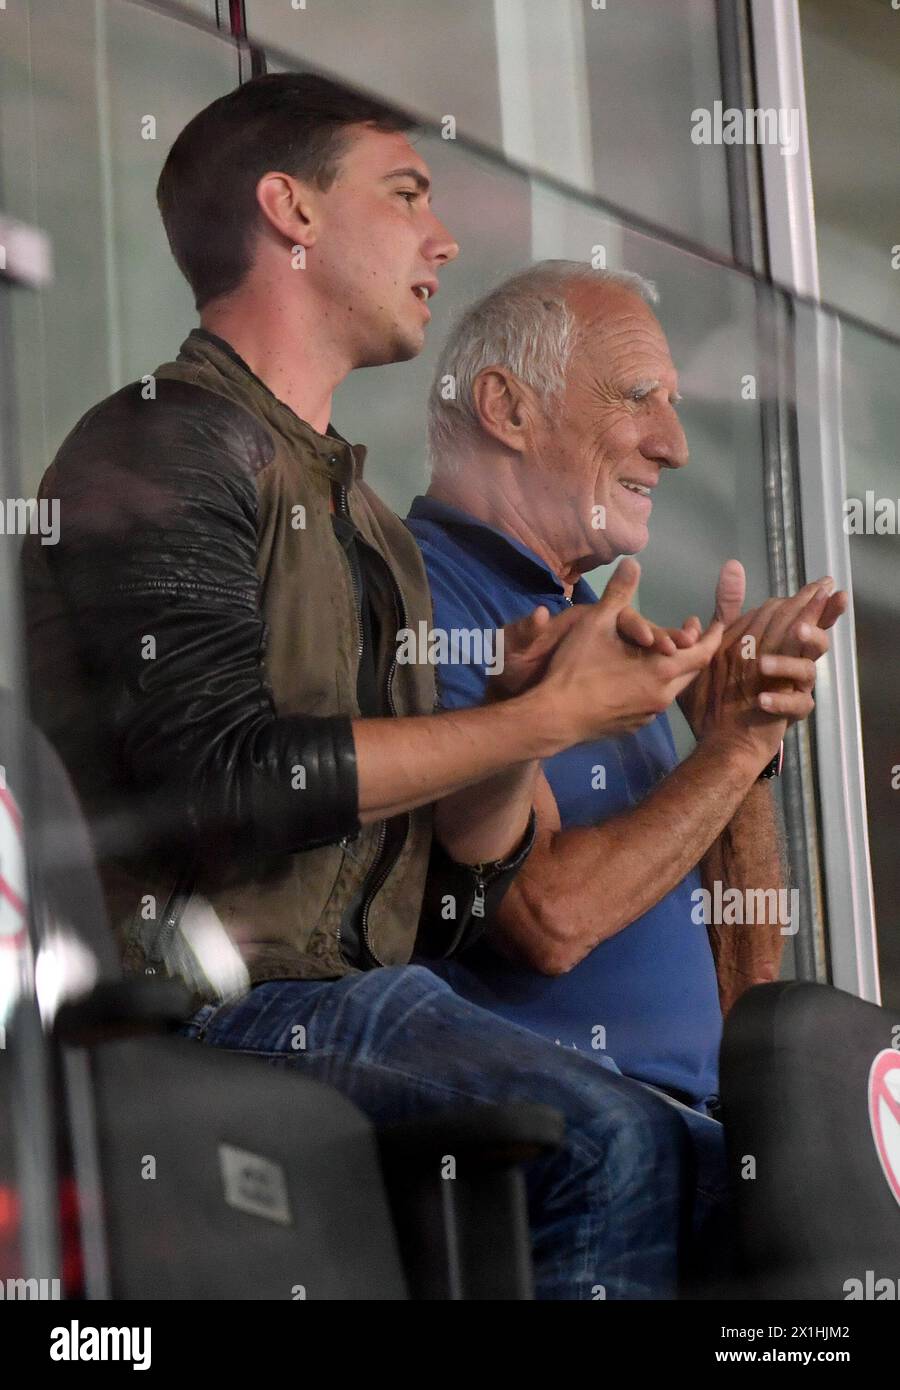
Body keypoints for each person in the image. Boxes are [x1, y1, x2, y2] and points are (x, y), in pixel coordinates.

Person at [21, 76, 732, 1299]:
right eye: (406, 194)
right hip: (200, 1004)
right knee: (613, 1136)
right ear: (288, 209)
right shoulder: (159, 440)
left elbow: (458, 899)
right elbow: (225, 785)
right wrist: (538, 719)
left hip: (357, 996)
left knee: (712, 1151)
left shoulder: (370, 528)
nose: (442, 240)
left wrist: (520, 733)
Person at [404, 259, 846, 1260]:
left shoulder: (597, 627)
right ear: (505, 409)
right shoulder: (432, 599)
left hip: (702, 1145)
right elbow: (548, 919)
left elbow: (747, 992)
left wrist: (746, 744)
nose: (676, 445)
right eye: (639, 397)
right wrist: (725, 747)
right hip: (580, 1160)